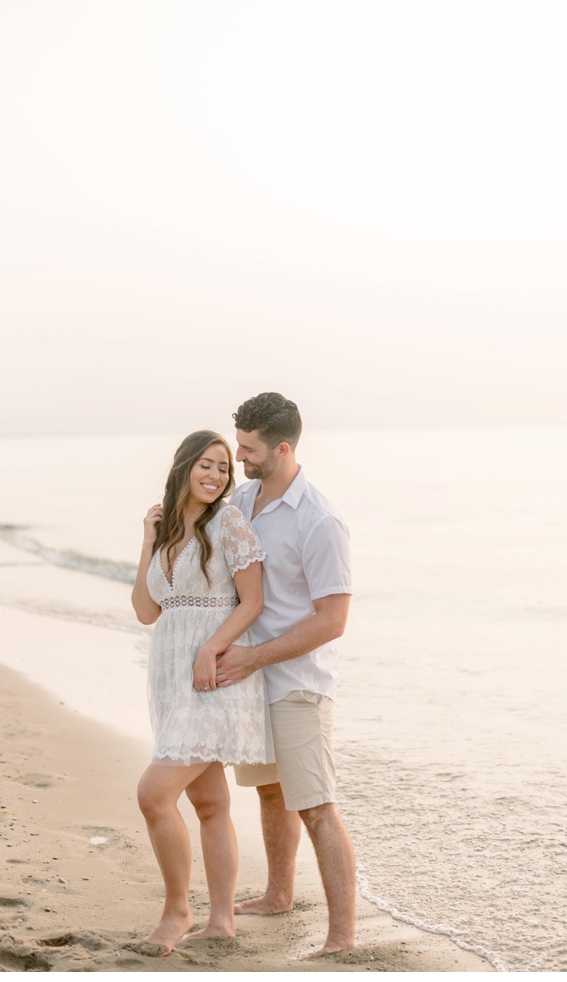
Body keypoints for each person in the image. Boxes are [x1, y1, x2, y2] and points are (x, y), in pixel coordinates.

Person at [212, 392, 357, 956]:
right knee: (270, 793)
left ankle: (342, 937)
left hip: (298, 684)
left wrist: (255, 656)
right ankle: (278, 894)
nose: (239, 458)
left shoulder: (320, 521)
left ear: (282, 447)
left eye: (248, 449)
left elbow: (334, 620)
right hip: (251, 682)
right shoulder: (242, 501)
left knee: (317, 806)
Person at [130, 430, 271, 954]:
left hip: (211, 678)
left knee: (153, 793)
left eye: (223, 468)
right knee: (209, 804)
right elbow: (147, 612)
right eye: (206, 466)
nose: (215, 476)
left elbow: (252, 601)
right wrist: (147, 539)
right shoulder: (166, 529)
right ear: (184, 467)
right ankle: (221, 922)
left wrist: (210, 649)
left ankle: (177, 912)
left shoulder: (229, 522)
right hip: (171, 680)